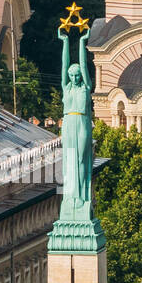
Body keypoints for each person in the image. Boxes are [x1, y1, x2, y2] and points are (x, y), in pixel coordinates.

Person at [58, 23, 94, 218]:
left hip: (82, 123)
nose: (74, 77)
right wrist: (64, 42)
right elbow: (64, 65)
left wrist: (82, 42)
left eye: (76, 74)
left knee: (80, 159)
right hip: (68, 123)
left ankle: (80, 195)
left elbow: (83, 63)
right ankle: (70, 196)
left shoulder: (85, 87)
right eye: (72, 75)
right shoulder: (67, 87)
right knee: (69, 161)